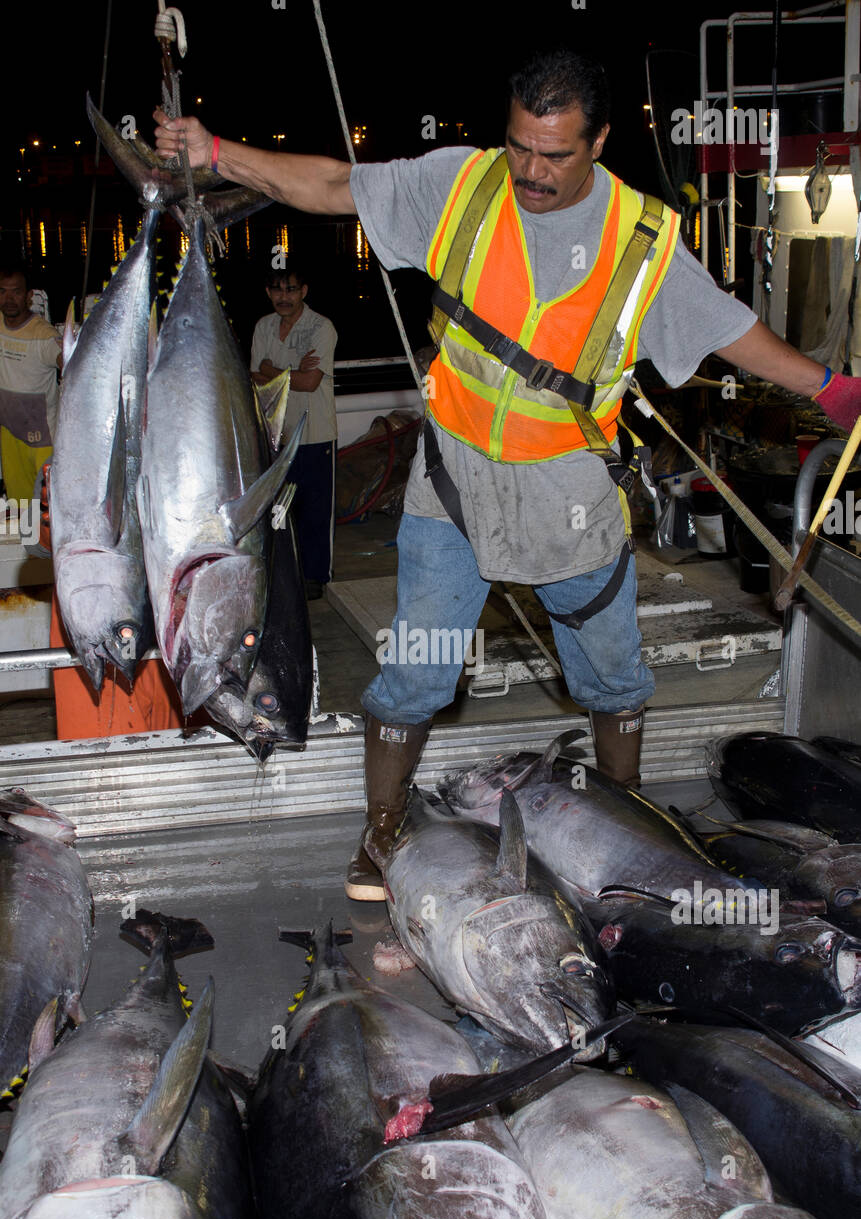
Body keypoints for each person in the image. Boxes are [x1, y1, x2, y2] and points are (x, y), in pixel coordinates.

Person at [154, 49, 861, 902]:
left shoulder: (642, 242)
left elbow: (729, 330)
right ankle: (381, 832)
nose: (531, 170)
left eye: (555, 153)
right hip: (451, 483)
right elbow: (338, 186)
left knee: (608, 672)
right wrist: (216, 153)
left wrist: (830, 388)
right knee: (418, 665)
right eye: (520, 145)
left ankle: (626, 817)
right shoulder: (462, 184)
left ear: (598, 141)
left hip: (568, 495)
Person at [251, 264, 337, 600]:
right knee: (278, 511)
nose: (282, 297)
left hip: (315, 434)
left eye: (290, 289)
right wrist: (289, 371)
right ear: (268, 293)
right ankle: (282, 574)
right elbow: (256, 374)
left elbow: (309, 381)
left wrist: (274, 370)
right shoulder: (264, 326)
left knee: (315, 512)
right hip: (276, 436)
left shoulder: (321, 327)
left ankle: (316, 577)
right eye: (276, 289)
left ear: (303, 291)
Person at [0, 261, 61, 504]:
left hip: (42, 439)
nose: (9, 298)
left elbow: (64, 360)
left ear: (28, 297)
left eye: (16, 292)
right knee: (20, 506)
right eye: (3, 291)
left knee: (48, 508)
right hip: (9, 433)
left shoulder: (43, 335)